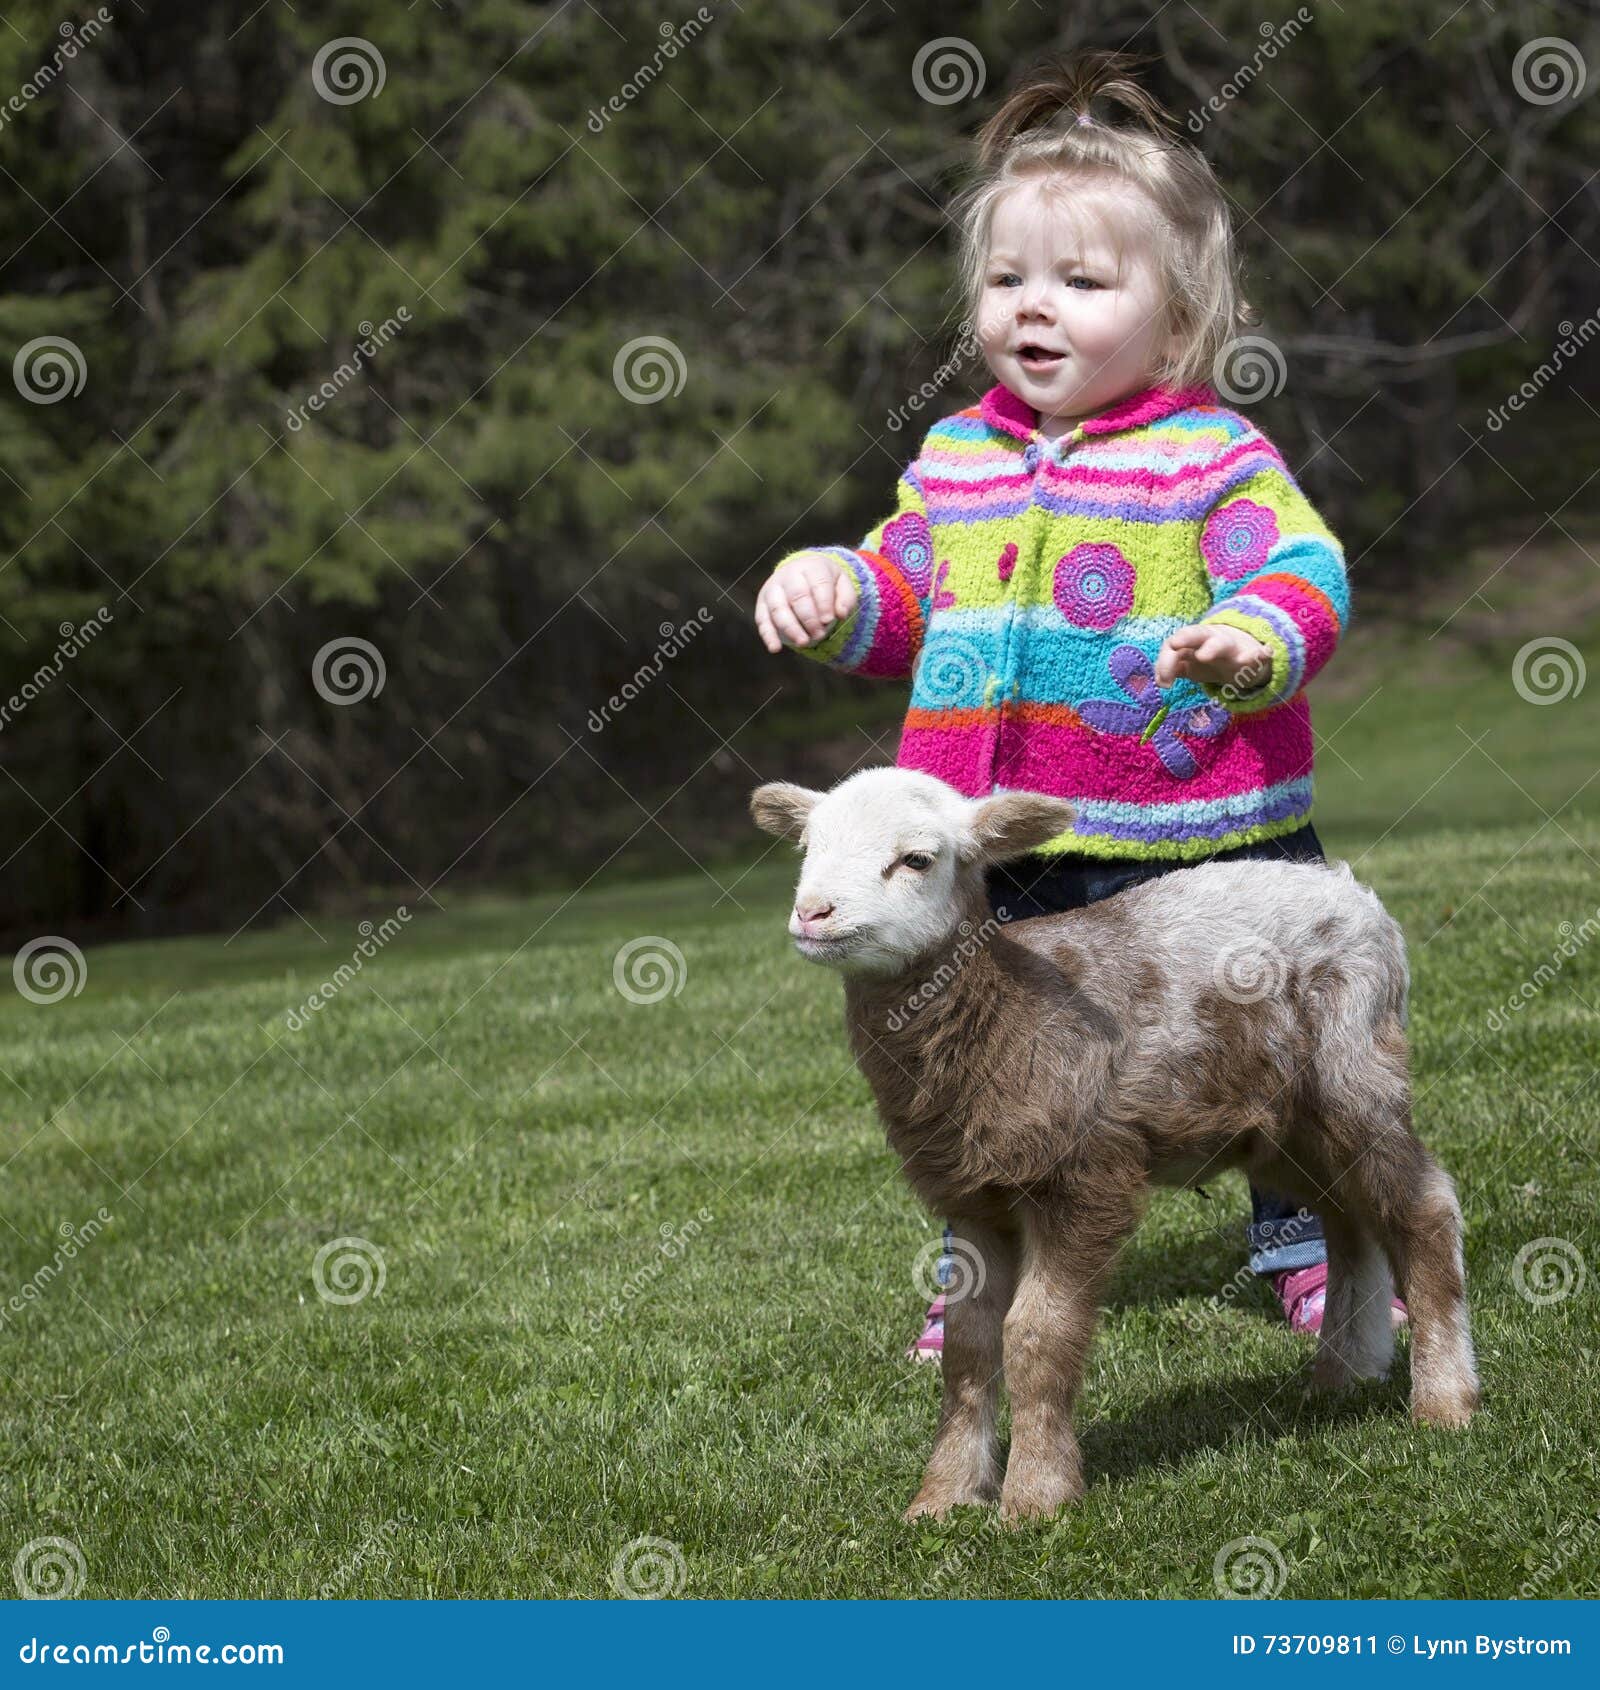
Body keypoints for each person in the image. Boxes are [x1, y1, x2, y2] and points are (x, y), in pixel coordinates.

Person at [752, 50, 1405, 1361]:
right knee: (990, 1056)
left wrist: (1249, 632)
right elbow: (908, 600)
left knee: (1254, 1041)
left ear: (1175, 318)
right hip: (1016, 851)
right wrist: (836, 588)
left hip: (1204, 838)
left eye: (1081, 282)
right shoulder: (956, 458)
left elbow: (1302, 569)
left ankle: (1307, 1245)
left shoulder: (1207, 455)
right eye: (1007, 281)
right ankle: (982, 1258)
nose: (1032, 307)